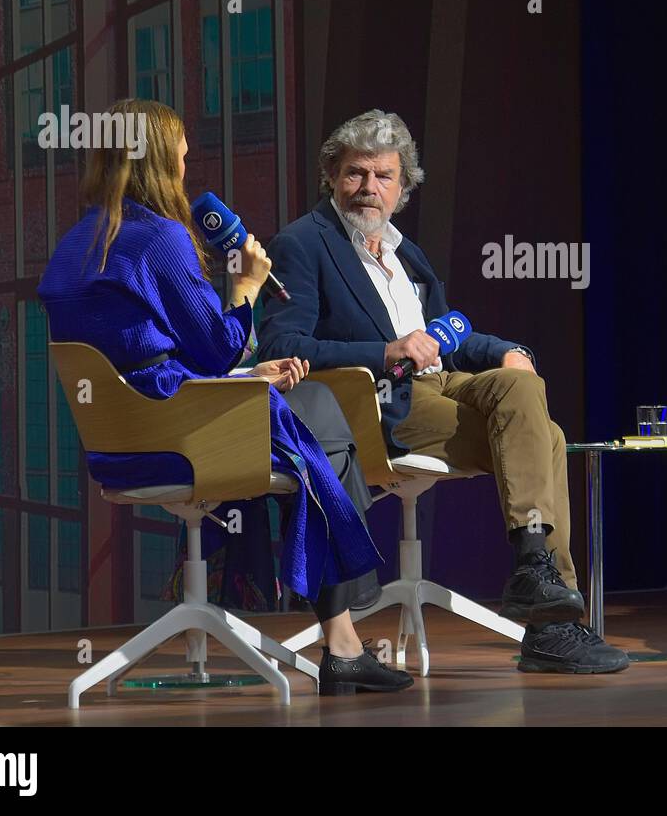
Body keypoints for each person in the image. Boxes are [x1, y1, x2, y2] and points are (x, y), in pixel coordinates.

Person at [37, 98, 411, 695]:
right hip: (180, 438)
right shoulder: (160, 238)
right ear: (159, 164)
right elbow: (216, 349)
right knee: (322, 417)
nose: (188, 170)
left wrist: (246, 379)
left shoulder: (73, 245)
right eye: (182, 159)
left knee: (306, 412)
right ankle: (343, 637)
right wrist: (246, 285)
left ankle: (337, 635)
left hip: (122, 443)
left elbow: (143, 360)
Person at [259, 109, 629, 674]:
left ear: (402, 185)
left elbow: (443, 335)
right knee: (546, 438)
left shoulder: (405, 251)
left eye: (384, 176)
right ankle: (550, 623)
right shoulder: (303, 243)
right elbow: (284, 344)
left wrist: (505, 349)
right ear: (331, 176)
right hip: (378, 401)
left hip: (439, 384)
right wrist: (385, 352)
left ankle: (535, 568)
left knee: (522, 386)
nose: (368, 189)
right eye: (356, 174)